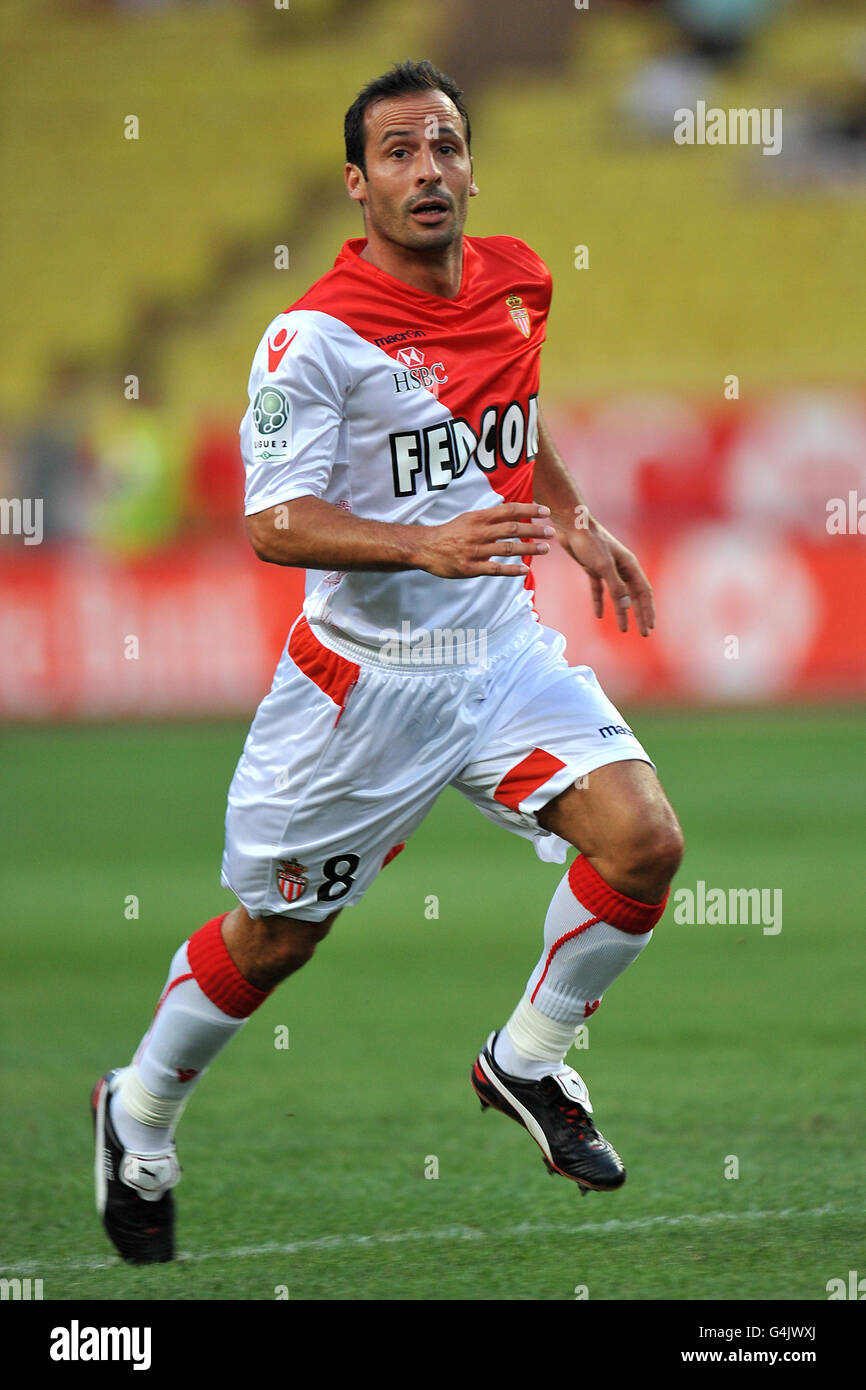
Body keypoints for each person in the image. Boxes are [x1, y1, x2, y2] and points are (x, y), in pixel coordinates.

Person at [93, 58, 684, 1264]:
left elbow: (515, 412)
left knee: (644, 841)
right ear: (356, 184)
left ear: (471, 163)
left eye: (447, 147)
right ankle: (140, 1108)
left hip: (501, 651)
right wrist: (421, 541)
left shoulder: (518, 279)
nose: (430, 172)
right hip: (362, 686)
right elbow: (272, 521)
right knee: (275, 938)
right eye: (402, 154)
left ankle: (525, 1060)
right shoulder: (310, 339)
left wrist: (569, 520)